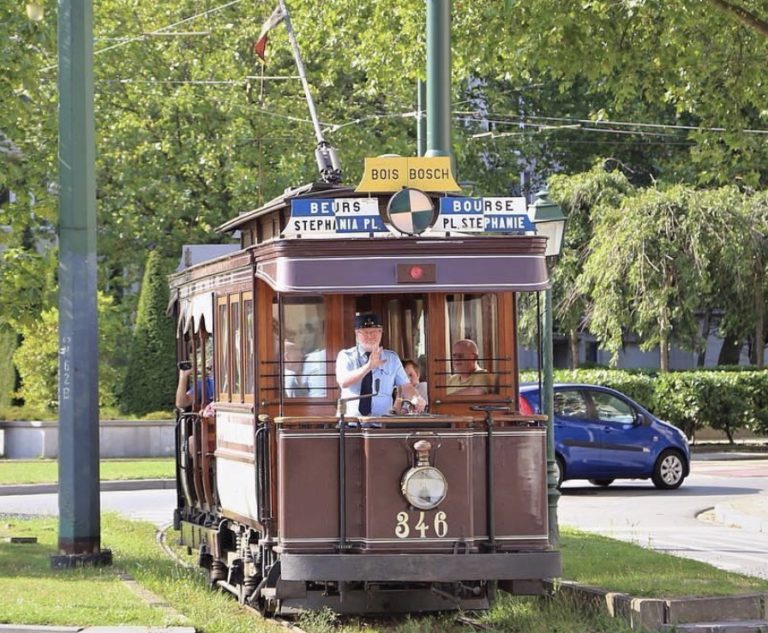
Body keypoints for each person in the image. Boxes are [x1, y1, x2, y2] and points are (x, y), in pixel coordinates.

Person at [336, 312, 426, 417]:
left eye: (374, 332)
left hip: (382, 421)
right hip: (351, 421)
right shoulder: (346, 356)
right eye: (365, 333)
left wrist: (416, 398)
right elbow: (343, 382)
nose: (369, 336)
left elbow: (405, 386)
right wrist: (368, 367)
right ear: (356, 334)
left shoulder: (392, 359)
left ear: (380, 333)